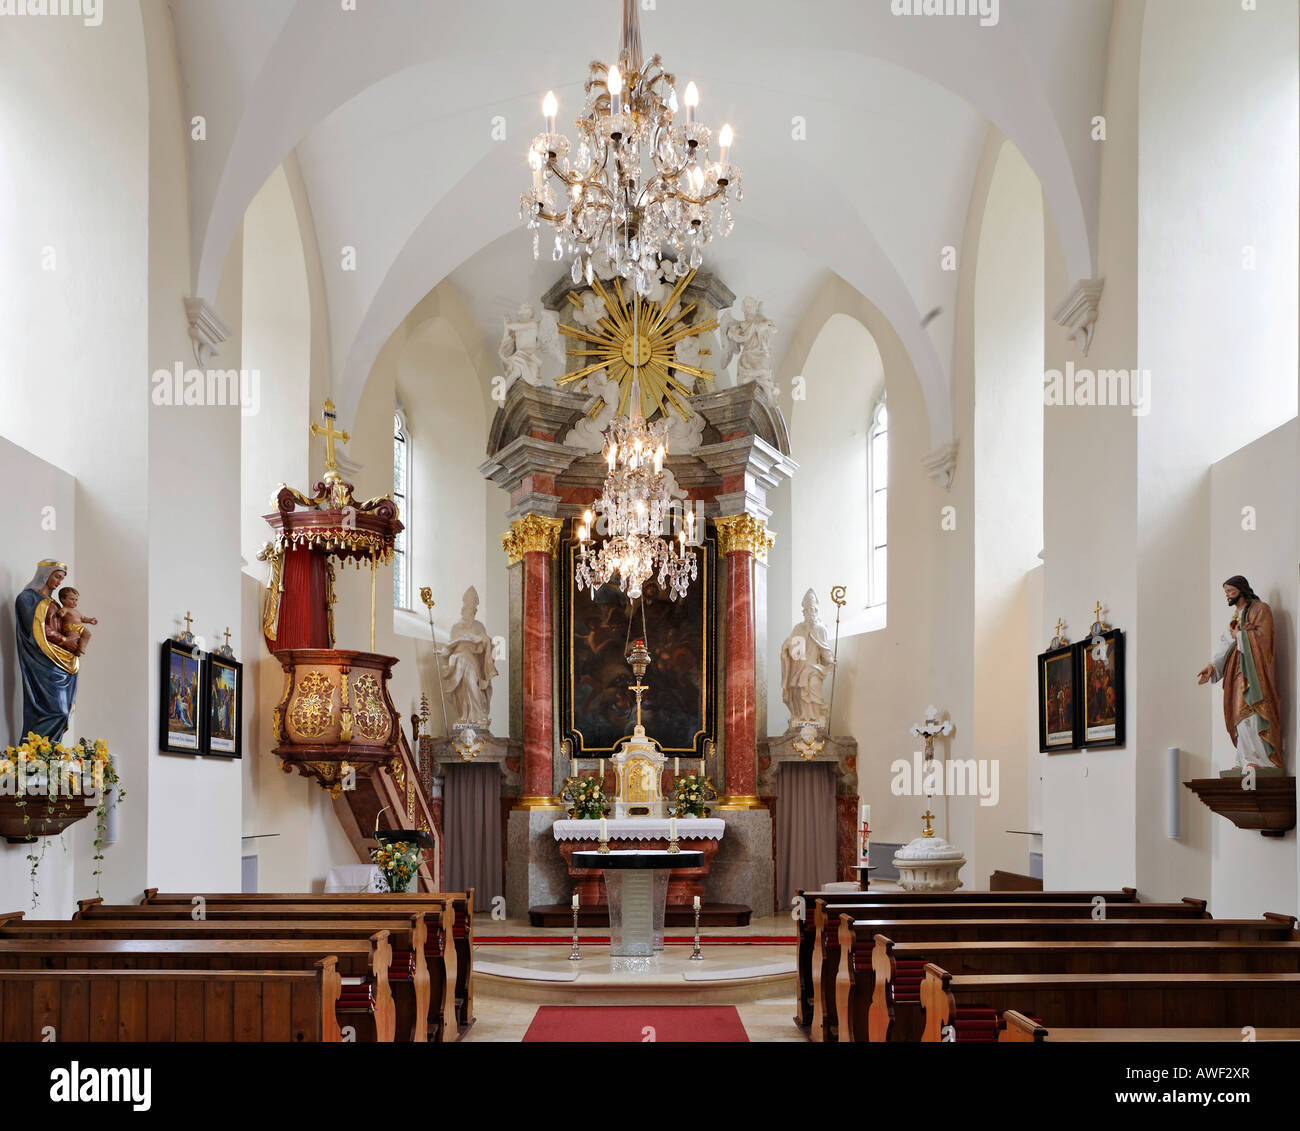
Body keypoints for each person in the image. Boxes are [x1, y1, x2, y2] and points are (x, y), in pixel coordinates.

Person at [1196, 574, 1283, 769]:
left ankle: (1260, 759)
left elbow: (1265, 638)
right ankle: (1245, 758)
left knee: (1252, 710)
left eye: (1230, 591)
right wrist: (1212, 666)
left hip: (1254, 673)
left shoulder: (1261, 609)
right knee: (1238, 714)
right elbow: (1225, 645)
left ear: (1242, 589)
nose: (1227, 595)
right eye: (1225, 592)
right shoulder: (1235, 617)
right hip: (1236, 673)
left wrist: (1242, 636)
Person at [14, 561, 79, 741]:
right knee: (56, 710)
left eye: (62, 579)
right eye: (57, 576)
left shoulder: (55, 604)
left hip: (59, 661)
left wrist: (75, 636)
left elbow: (61, 626)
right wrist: (65, 640)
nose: (59, 582)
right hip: (40, 663)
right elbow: (36, 631)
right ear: (45, 574)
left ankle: (49, 753)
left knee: (64, 712)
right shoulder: (27, 598)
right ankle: (33, 754)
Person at [55, 587, 97, 655]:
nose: (74, 602)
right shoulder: (65, 609)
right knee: (73, 640)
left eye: (76, 600)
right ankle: (71, 651)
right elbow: (61, 612)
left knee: (88, 634)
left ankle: (81, 647)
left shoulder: (76, 611)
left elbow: (83, 618)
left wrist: (90, 620)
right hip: (71, 628)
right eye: (72, 599)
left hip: (80, 627)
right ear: (63, 599)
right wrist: (61, 613)